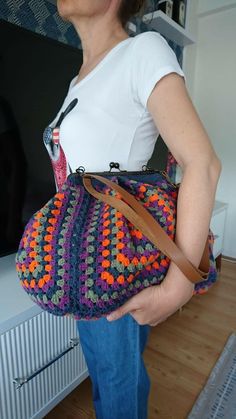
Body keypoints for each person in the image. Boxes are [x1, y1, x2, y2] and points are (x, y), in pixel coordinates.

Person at [44, 1, 222, 418]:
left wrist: (178, 286)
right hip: (87, 257)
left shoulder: (142, 50)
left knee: (114, 377)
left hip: (110, 257)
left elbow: (202, 163)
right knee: (115, 372)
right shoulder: (79, 79)